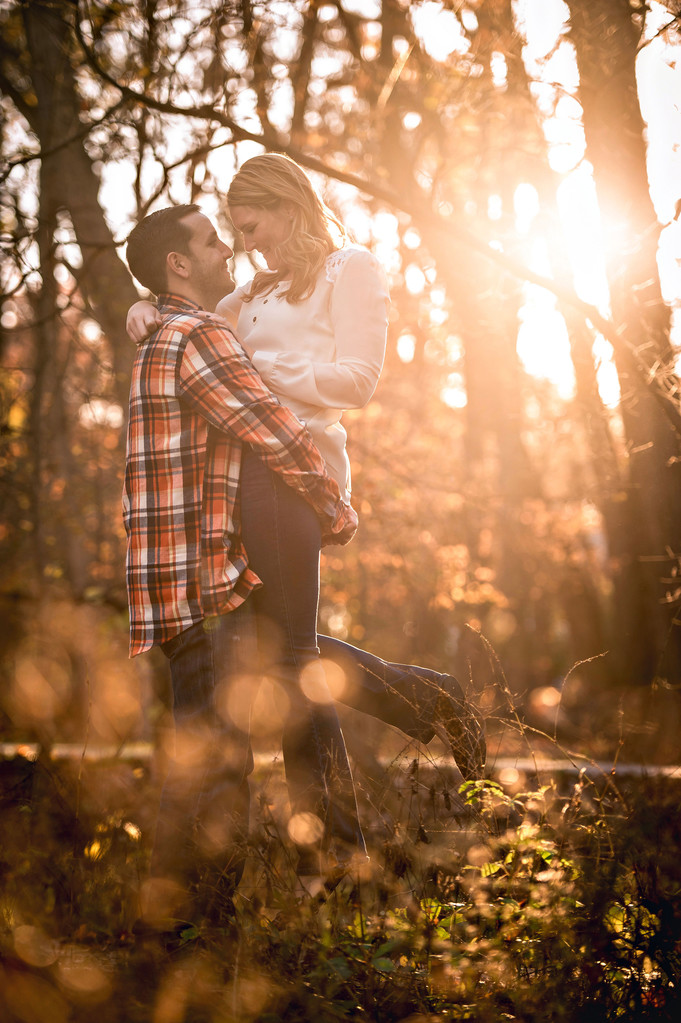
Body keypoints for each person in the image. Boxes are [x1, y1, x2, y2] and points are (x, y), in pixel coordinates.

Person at [126, 157, 486, 888]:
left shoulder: (348, 269)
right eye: (230, 232)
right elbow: (179, 317)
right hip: (242, 479)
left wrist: (260, 370)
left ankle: (340, 834)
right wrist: (139, 308)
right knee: (284, 656)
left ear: (287, 206)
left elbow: (358, 379)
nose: (243, 242)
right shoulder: (246, 295)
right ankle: (339, 837)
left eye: (251, 224)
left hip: (297, 470)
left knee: (286, 656)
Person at [124, 203, 363, 930]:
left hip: (166, 590)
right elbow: (275, 429)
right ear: (178, 263)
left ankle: (182, 922)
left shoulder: (157, 334)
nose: (226, 249)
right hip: (199, 586)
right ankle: (190, 930)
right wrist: (338, 509)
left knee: (202, 754)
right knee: (216, 762)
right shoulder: (197, 335)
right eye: (209, 241)